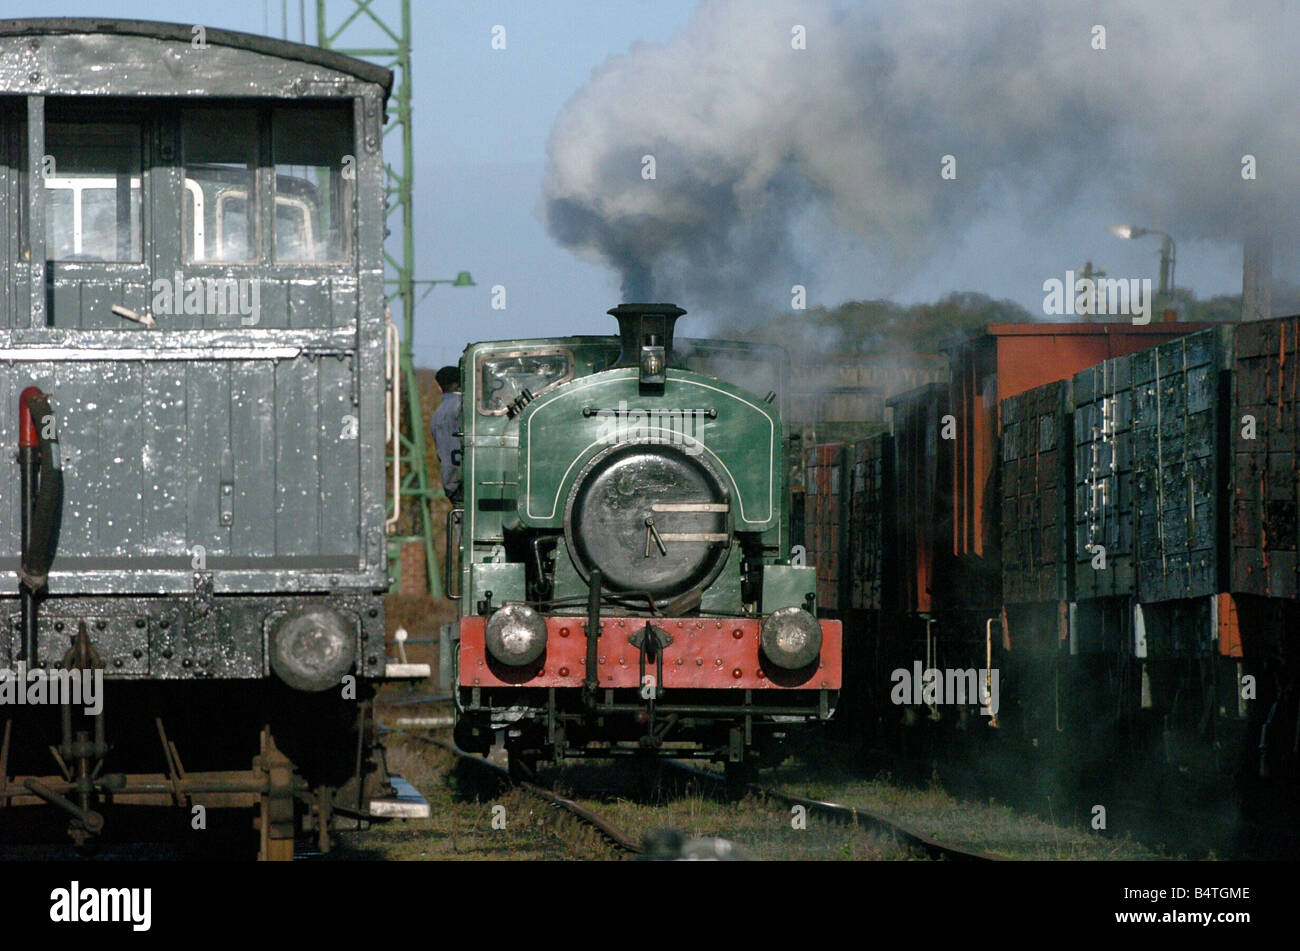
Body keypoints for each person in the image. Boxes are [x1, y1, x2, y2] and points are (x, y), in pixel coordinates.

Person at [431, 365, 463, 505]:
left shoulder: (437, 414)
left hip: (450, 481)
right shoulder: (464, 406)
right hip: (467, 480)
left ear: (440, 388)